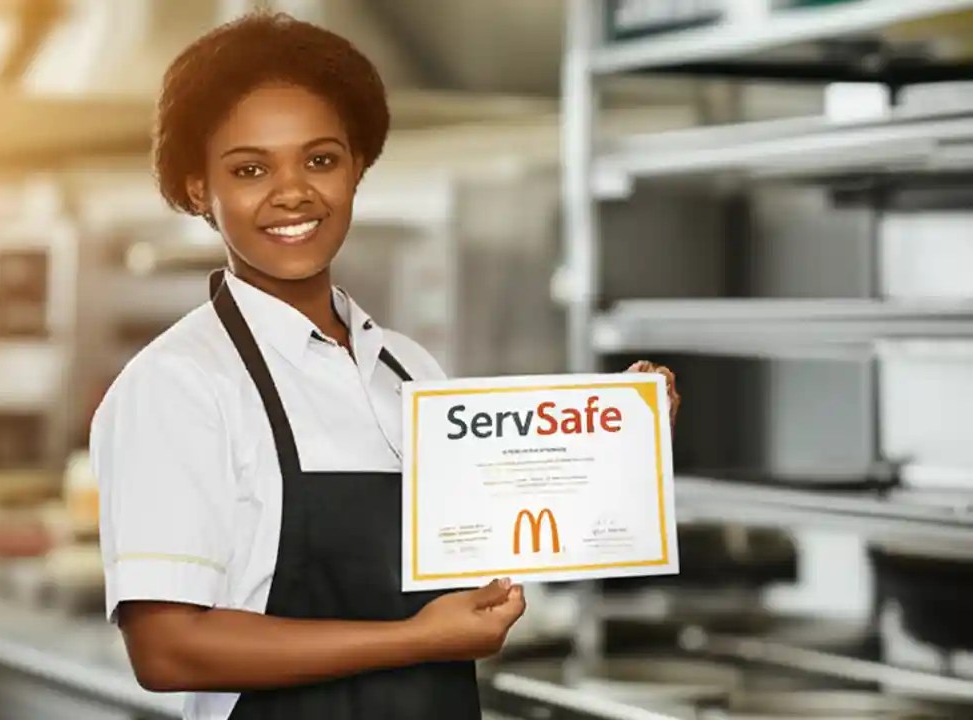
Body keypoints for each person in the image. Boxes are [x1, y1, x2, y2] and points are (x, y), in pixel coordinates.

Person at [89, 12, 681, 720]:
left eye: (320, 159)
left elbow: (493, 553)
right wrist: (412, 640)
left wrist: (614, 439)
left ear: (357, 166)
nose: (292, 192)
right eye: (250, 169)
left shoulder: (407, 368)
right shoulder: (179, 385)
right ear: (195, 189)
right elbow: (167, 650)